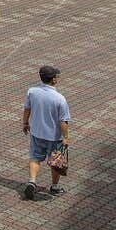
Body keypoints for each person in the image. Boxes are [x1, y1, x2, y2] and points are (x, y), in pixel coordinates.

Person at [22, 65, 71, 201]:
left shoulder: (32, 92)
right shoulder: (59, 99)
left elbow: (27, 109)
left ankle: (32, 181)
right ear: (54, 80)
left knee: (35, 157)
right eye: (57, 76)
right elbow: (63, 121)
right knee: (56, 162)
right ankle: (54, 187)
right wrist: (66, 137)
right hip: (54, 137)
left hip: (36, 133)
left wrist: (25, 123)